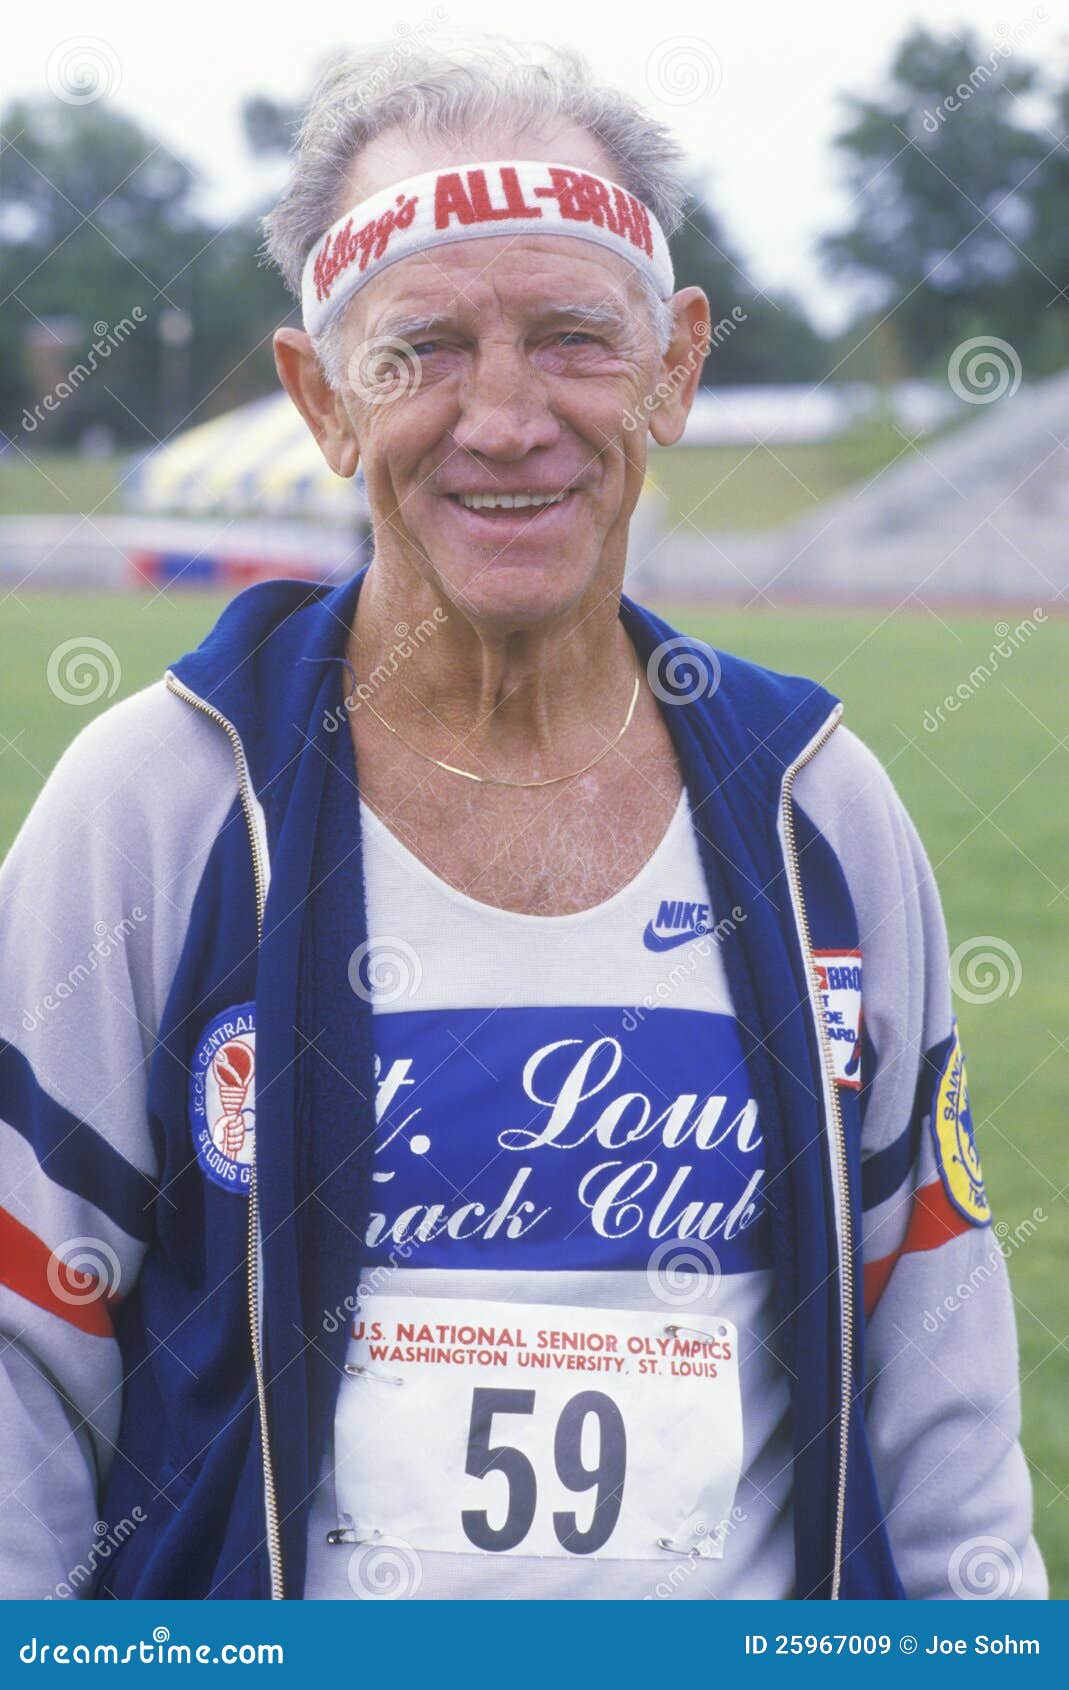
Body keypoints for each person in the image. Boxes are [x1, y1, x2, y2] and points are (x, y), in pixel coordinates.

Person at [0, 37, 1046, 1601]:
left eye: (573, 338)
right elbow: (24, 1352)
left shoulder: (814, 807)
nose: (504, 419)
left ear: (676, 367)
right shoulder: (158, 803)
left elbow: (937, 1364)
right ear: (321, 397)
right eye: (421, 349)